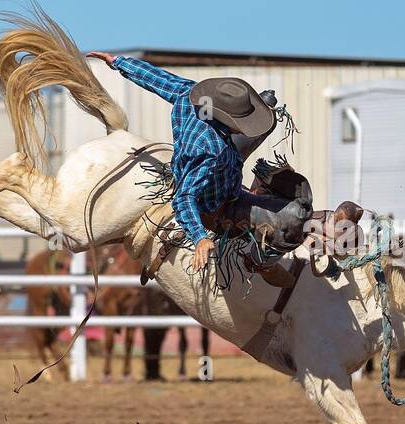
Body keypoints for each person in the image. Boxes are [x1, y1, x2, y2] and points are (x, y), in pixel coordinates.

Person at [87, 51, 303, 272]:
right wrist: (200, 238)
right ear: (228, 120)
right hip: (214, 200)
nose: (246, 126)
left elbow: (158, 79)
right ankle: (259, 262)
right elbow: (184, 198)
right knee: (287, 215)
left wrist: (118, 62)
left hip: (207, 168)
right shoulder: (211, 150)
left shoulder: (195, 97)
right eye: (244, 120)